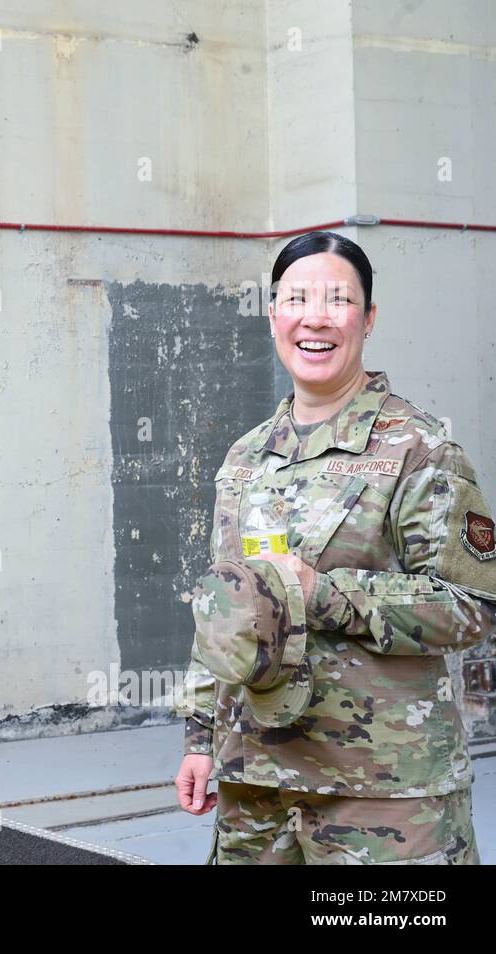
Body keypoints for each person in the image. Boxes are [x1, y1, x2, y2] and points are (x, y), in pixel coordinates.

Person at [175, 230, 492, 864]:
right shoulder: (245, 459)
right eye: (296, 299)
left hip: (383, 794)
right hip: (259, 784)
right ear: (273, 316)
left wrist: (323, 593)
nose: (315, 318)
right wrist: (200, 734)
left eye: (338, 300)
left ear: (367, 319)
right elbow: (224, 613)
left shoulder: (419, 450)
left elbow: (470, 607)